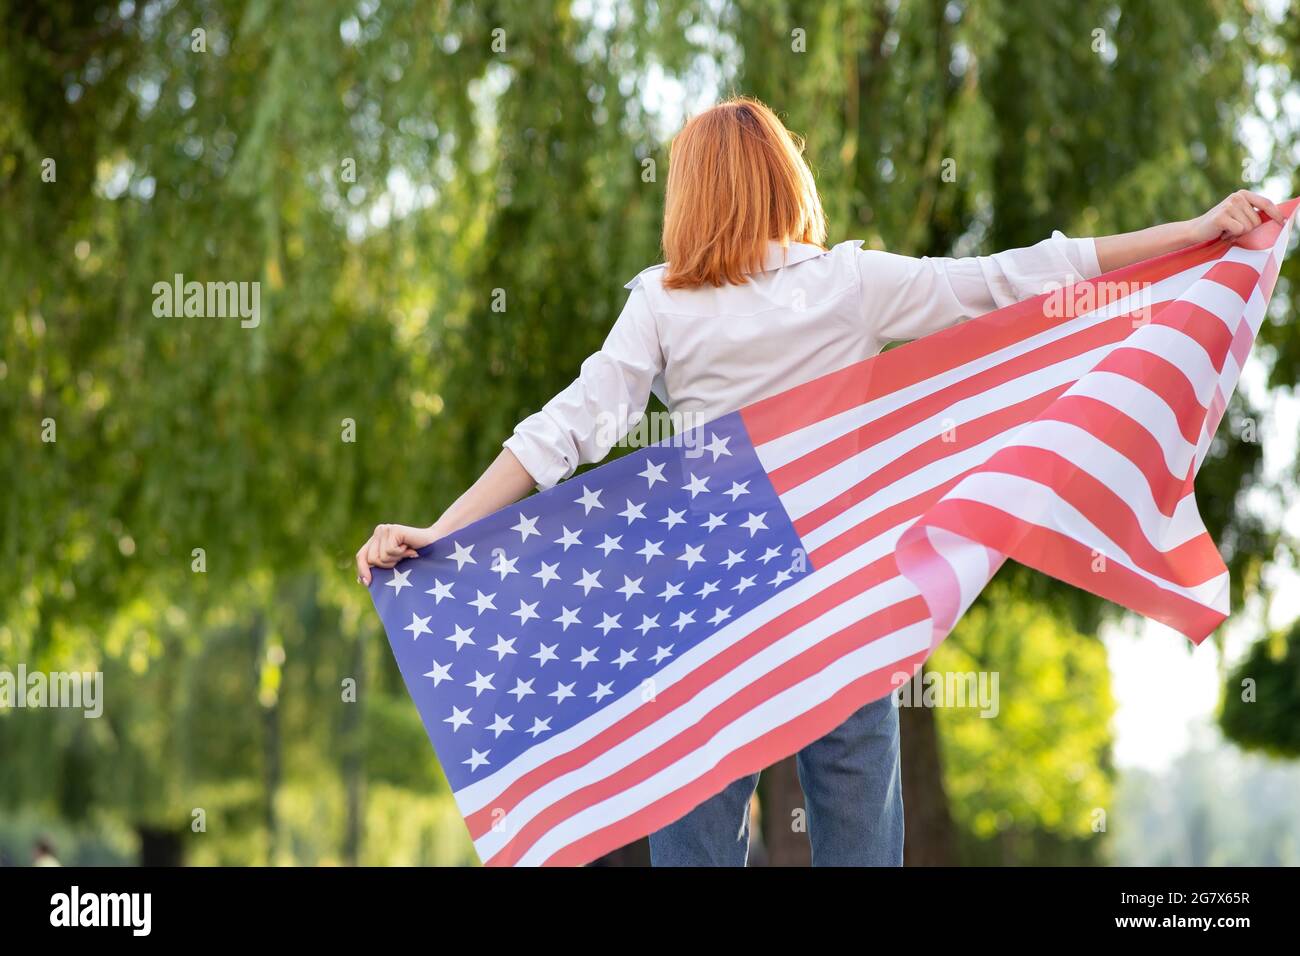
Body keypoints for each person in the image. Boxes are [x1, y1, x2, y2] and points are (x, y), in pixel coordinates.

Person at [356, 97, 1283, 866]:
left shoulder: (663, 302)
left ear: (689, 196)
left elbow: (566, 429)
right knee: (857, 827)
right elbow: (1023, 279)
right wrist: (1195, 234)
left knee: (698, 826)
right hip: (841, 585)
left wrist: (441, 534)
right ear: (783, 181)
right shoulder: (850, 282)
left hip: (706, 596)